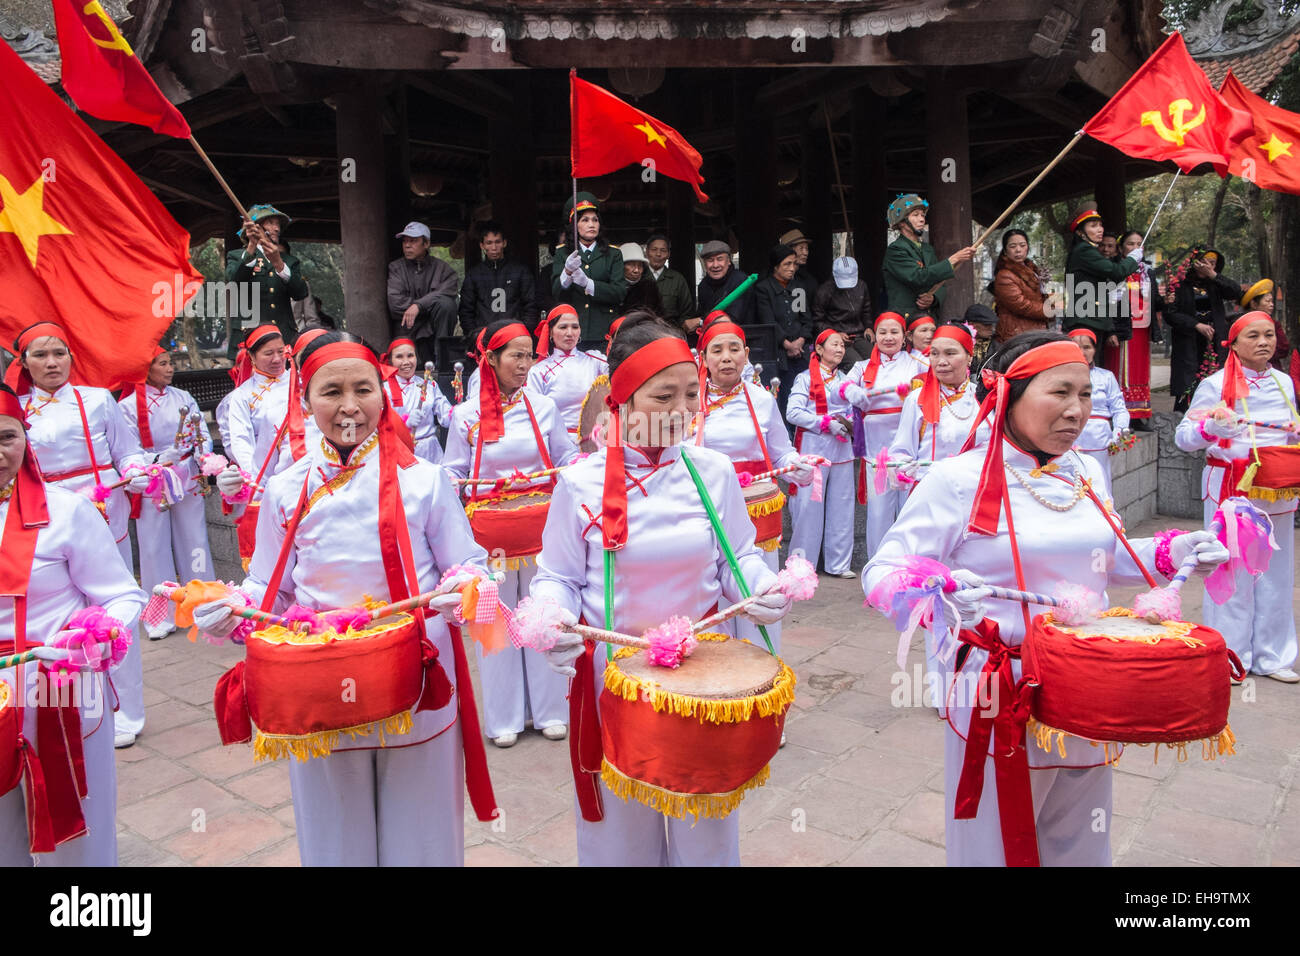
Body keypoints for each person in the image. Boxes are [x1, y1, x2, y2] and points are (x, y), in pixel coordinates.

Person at [863, 330, 1228, 865]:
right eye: (1059, 392)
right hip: (999, 687)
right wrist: (934, 592)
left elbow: (1108, 561)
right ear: (1010, 395)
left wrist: (1175, 551)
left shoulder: (1085, 471)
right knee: (996, 835)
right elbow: (883, 571)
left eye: (1084, 394)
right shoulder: (955, 480)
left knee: (1080, 831)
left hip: (1085, 681)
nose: (1077, 410)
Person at [193, 331, 499, 865]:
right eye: (331, 392)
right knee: (333, 830)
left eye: (364, 389)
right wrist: (225, 610)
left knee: (421, 826)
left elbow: (468, 563)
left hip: (417, 669)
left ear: (385, 396)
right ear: (305, 401)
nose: (350, 406)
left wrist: (469, 589)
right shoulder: (286, 490)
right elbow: (270, 586)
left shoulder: (425, 481)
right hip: (320, 675)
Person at [530, 314, 789, 866]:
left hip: (703, 674)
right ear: (622, 400)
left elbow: (737, 555)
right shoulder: (579, 482)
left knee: (705, 824)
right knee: (620, 832)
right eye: (663, 395)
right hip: (614, 675)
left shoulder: (712, 471)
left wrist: (762, 586)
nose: (682, 410)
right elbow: (557, 575)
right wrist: (551, 617)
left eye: (691, 393)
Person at [0, 384, 146, 865]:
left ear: (26, 437)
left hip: (60, 685)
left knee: (79, 834)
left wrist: (97, 638)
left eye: (5, 437)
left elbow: (123, 594)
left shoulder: (66, 512)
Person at [7, 322, 150, 750]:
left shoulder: (97, 400)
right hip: (44, 519)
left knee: (113, 606)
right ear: (24, 363)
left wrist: (136, 471)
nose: (52, 363)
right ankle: (69, 702)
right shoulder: (18, 411)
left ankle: (128, 709)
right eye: (41, 355)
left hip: (105, 512)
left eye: (60, 353)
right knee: (63, 615)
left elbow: (127, 451)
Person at [443, 318, 578, 748]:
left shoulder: (543, 407)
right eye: (515, 356)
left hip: (541, 528)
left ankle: (552, 709)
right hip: (491, 535)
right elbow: (453, 470)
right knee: (495, 621)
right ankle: (504, 716)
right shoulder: (465, 414)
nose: (525, 364)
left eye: (528, 355)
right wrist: (447, 486)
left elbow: (566, 457)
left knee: (540, 612)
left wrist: (581, 465)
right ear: (492, 359)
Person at [1175, 311, 1300, 682]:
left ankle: (1274, 656)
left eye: (1269, 335)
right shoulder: (1215, 385)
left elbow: (1288, 435)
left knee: (1276, 575)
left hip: (1277, 488)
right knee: (1232, 574)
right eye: (1254, 336)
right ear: (1234, 343)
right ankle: (1231, 656)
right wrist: (1211, 427)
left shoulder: (1283, 383)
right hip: (1231, 491)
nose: (1264, 342)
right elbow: (1184, 438)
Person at [695, 316, 815, 649]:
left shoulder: (761, 400)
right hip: (705, 511)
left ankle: (761, 678)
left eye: (734, 349)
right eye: (716, 350)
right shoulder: (689, 403)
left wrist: (796, 466)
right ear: (703, 358)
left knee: (759, 598)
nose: (726, 357)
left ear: (746, 355)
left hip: (756, 513)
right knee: (713, 609)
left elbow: (781, 454)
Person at [887, 324, 990, 710]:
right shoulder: (916, 400)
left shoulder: (985, 398)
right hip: (931, 507)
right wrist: (920, 470)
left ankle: (975, 680)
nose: (942, 362)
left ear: (969, 356)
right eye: (935, 354)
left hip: (975, 507)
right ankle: (941, 689)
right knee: (936, 593)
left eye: (951, 354)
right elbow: (899, 455)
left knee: (973, 591)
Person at [118, 348, 214, 640]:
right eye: (163, 363)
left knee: (194, 539)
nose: (170, 368)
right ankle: (160, 615)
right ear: (145, 369)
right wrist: (156, 460)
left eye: (171, 363)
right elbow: (126, 449)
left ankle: (205, 604)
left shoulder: (182, 398)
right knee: (153, 546)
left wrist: (201, 453)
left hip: (185, 473)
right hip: (153, 478)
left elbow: (202, 433)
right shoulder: (127, 406)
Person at [844, 313, 922, 556]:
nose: (889, 338)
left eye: (894, 332)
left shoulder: (917, 363)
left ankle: (910, 567)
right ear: (874, 337)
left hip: (911, 448)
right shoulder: (861, 366)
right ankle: (878, 569)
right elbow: (841, 386)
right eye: (883, 333)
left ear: (904, 335)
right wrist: (853, 393)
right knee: (878, 515)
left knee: (911, 511)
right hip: (876, 450)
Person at [786, 329, 858, 578]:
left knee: (843, 506)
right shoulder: (804, 379)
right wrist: (824, 422)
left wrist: (849, 421)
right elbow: (793, 413)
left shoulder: (846, 380)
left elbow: (855, 408)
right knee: (809, 508)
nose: (839, 350)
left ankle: (839, 564)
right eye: (834, 345)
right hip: (814, 450)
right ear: (818, 349)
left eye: (841, 346)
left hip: (842, 449)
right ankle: (801, 566)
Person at [224, 203, 309, 353]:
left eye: (277, 224)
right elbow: (234, 283)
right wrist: (251, 247)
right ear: (255, 227)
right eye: (270, 223)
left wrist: (279, 263)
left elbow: (300, 293)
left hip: (283, 338)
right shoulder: (236, 256)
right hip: (248, 338)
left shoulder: (289, 260)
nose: (276, 228)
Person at [1166, 248, 1238, 412]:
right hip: (1189, 341)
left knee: (1214, 380)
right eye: (1205, 262)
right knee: (1187, 382)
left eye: (1213, 263)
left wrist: (1213, 275)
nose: (1209, 266)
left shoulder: (1216, 284)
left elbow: (1235, 292)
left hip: (1213, 340)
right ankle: (1184, 416)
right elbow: (1170, 314)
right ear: (1195, 262)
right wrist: (1195, 325)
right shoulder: (1180, 284)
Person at [881, 193, 975, 319]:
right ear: (902, 222)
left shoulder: (927, 249)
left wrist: (933, 298)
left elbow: (940, 282)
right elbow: (918, 277)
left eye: (922, 215)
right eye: (915, 215)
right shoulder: (896, 250)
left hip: (928, 317)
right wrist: (953, 259)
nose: (922, 219)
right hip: (905, 320)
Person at [551, 193, 627, 345]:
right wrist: (567, 273)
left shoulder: (613, 254)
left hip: (604, 330)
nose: (591, 224)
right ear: (574, 225)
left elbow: (619, 293)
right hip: (573, 331)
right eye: (585, 220)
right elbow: (556, 292)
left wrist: (588, 284)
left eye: (595, 220)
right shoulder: (563, 252)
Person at [1062, 203, 1141, 345]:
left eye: (1100, 225)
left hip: (1093, 319)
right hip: (1085, 320)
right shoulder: (1084, 250)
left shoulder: (1086, 250)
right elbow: (1117, 272)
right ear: (1080, 232)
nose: (1100, 230)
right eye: (1093, 226)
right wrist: (1132, 259)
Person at [527, 305, 608, 441]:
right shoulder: (539, 371)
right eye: (563, 327)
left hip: (594, 442)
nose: (570, 333)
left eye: (575, 327)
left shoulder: (595, 361)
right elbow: (533, 415)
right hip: (555, 442)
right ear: (550, 332)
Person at [387, 221, 460, 369]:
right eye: (405, 241)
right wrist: (428, 306)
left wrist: (418, 306)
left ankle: (443, 362)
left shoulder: (443, 269)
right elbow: (395, 304)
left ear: (426, 244)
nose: (407, 245)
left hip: (436, 332)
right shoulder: (396, 268)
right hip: (409, 330)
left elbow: (450, 291)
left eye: (413, 241)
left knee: (446, 304)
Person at [1066, 328, 1129, 498]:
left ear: (1095, 350)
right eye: (1076, 347)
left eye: (1087, 347)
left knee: (1100, 483)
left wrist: (1120, 429)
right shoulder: (1060, 377)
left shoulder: (1106, 377)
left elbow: (1119, 408)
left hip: (1098, 438)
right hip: (1068, 435)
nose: (1082, 352)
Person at [756, 243, 814, 421]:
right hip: (777, 351)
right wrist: (787, 344)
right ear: (775, 266)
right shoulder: (764, 289)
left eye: (794, 264)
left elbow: (805, 318)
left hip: (800, 350)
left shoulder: (798, 288)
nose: (792, 269)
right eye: (787, 264)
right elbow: (769, 321)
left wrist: (801, 341)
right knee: (779, 397)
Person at [457, 220, 539, 343]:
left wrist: (524, 332)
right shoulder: (474, 274)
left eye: (497, 242)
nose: (494, 248)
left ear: (504, 243)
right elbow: (466, 310)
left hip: (515, 335)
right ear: (482, 245)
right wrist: (474, 335)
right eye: (489, 243)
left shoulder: (520, 271)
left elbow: (531, 305)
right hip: (483, 336)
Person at [1112, 231, 1161, 427]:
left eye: (1139, 244)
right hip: (1124, 326)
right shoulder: (1117, 269)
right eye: (1130, 243)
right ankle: (1122, 413)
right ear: (1121, 247)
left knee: (1140, 370)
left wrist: (1166, 300)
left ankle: (1138, 413)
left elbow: (1155, 301)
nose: (1135, 247)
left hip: (1142, 327)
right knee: (1122, 370)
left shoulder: (1148, 272)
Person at [382, 338, 453, 464]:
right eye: (399, 357)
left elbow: (446, 417)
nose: (406, 362)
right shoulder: (383, 390)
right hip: (401, 451)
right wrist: (404, 424)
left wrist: (459, 412)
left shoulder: (429, 385)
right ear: (391, 361)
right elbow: (379, 427)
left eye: (410, 355)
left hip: (432, 452)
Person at [813, 256, 873, 366]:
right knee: (856, 364)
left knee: (874, 358)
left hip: (859, 335)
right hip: (836, 337)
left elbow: (866, 310)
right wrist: (834, 334)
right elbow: (818, 320)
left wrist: (869, 327)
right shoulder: (824, 291)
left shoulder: (861, 286)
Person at [992, 229, 1050, 342]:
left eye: (1022, 245)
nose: (1018, 250)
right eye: (1012, 246)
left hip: (1033, 331)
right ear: (1005, 250)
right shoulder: (1004, 276)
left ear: (1027, 248)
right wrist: (1047, 311)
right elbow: (1021, 305)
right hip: (1016, 334)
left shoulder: (1032, 270)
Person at [696, 240, 755, 327]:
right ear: (705, 263)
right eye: (710, 260)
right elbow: (701, 313)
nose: (715, 265)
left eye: (720, 259)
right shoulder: (703, 286)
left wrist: (700, 322)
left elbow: (733, 318)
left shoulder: (741, 280)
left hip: (741, 335)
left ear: (729, 261)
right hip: (712, 335)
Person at [1239, 278, 1292, 373]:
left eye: (1272, 301)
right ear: (1254, 304)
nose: (1271, 305)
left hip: (1271, 370)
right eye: (1267, 301)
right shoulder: (1240, 326)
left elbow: (1284, 348)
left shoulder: (1274, 325)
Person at [645, 234, 696, 331]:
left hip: (670, 334)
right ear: (647, 252)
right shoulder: (639, 277)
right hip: (642, 334)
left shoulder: (677, 279)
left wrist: (679, 331)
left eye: (663, 250)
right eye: (654, 249)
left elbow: (687, 313)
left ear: (668, 254)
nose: (658, 254)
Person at [619, 242, 666, 317]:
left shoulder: (650, 289)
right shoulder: (610, 287)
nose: (636, 270)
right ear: (620, 265)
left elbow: (659, 316)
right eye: (631, 264)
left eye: (640, 265)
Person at [964, 304, 998, 375]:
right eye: (986, 325)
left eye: (991, 324)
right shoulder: (959, 342)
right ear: (971, 324)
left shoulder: (997, 345)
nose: (991, 328)